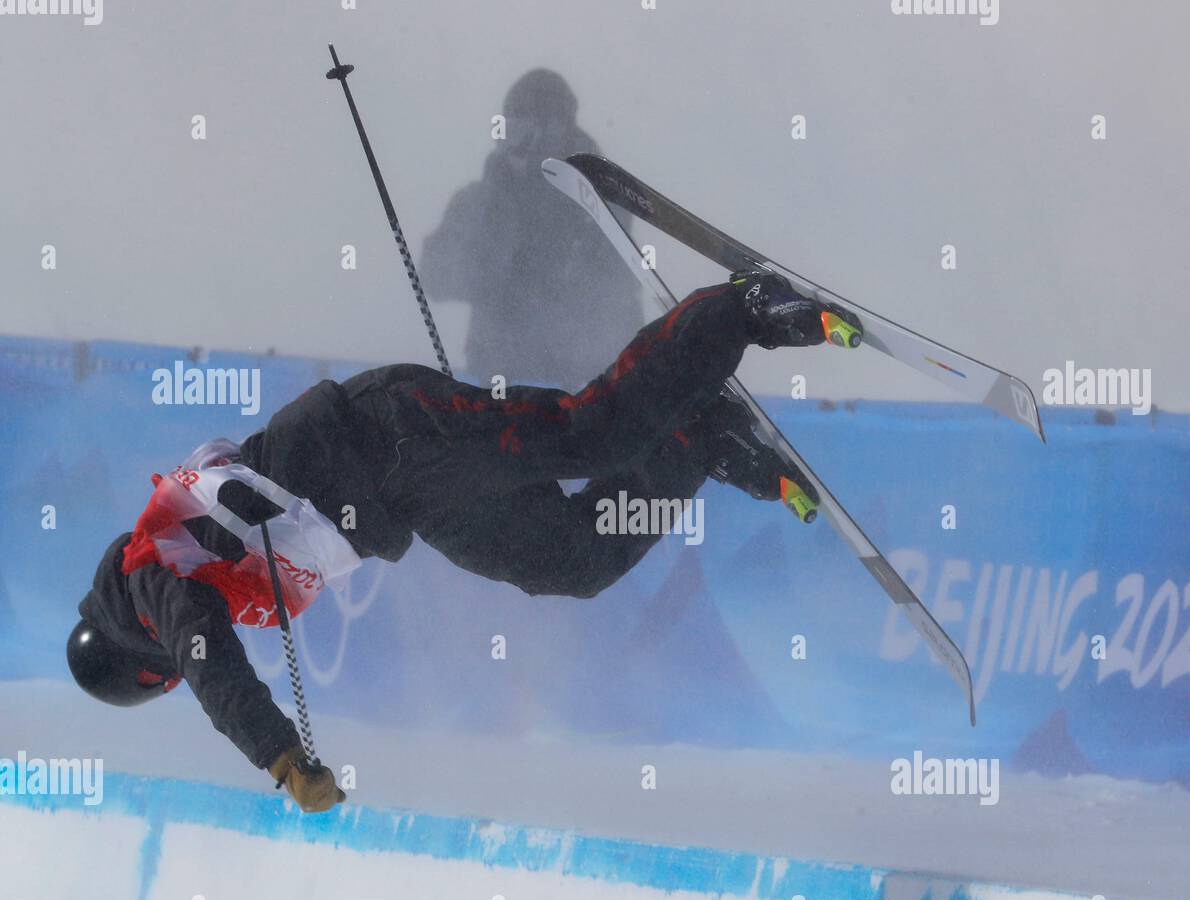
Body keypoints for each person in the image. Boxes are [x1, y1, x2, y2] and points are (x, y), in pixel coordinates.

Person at [68, 272, 861, 814]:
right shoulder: (174, 567)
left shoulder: (152, 583)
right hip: (409, 497)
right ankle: (700, 437)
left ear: (150, 668)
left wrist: (280, 757)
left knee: (588, 433)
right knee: (571, 564)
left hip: (393, 433)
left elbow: (213, 669)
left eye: (167, 674)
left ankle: (740, 309)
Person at [418, 68, 644, 388]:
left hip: (585, 387)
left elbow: (615, 296)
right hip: (501, 382)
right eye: (514, 126)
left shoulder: (598, 200)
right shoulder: (479, 201)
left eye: (543, 126)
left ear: (564, 129)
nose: (526, 141)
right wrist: (494, 266)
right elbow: (434, 275)